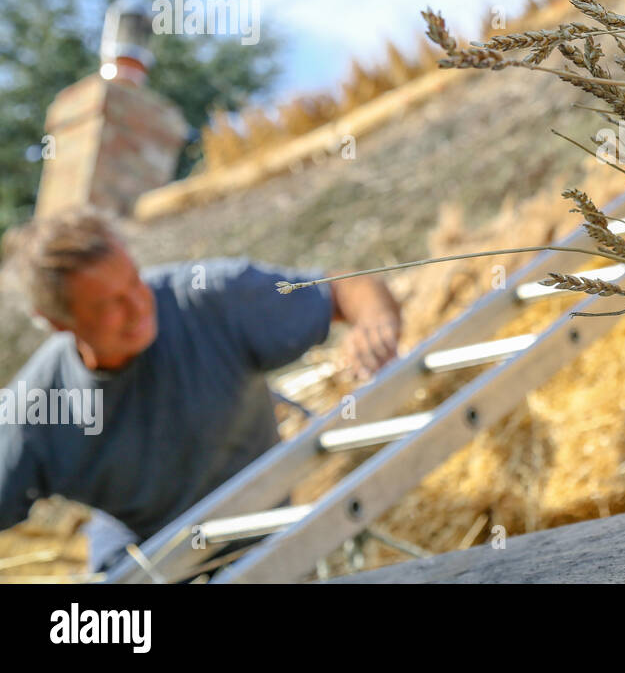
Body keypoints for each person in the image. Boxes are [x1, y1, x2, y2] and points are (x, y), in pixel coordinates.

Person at [0, 206, 402, 575]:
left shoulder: (206, 299)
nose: (139, 307)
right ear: (57, 322)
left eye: (134, 282)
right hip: (148, 561)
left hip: (262, 532)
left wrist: (374, 323)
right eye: (109, 305)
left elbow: (346, 290)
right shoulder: (37, 410)